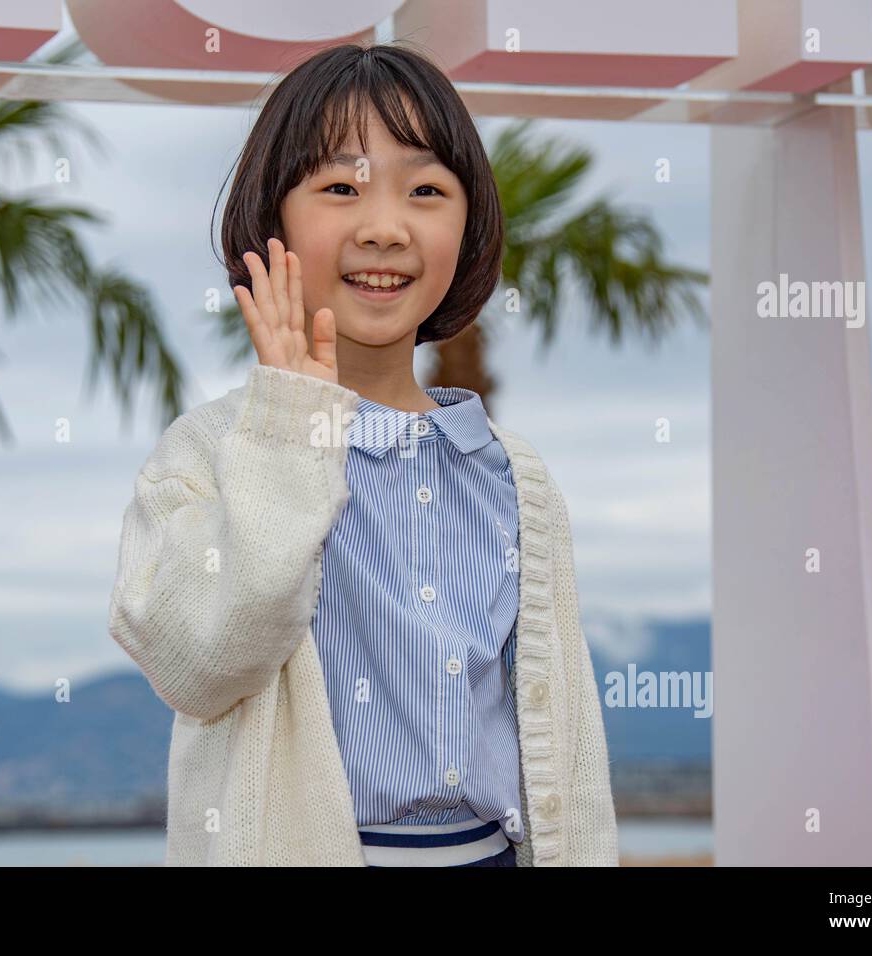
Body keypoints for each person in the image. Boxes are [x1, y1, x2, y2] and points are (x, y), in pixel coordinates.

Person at [108, 42, 618, 867]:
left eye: (426, 191)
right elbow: (202, 662)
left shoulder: (513, 475)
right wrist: (290, 423)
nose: (384, 228)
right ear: (272, 222)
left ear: (470, 223)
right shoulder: (210, 450)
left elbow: (569, 741)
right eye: (341, 188)